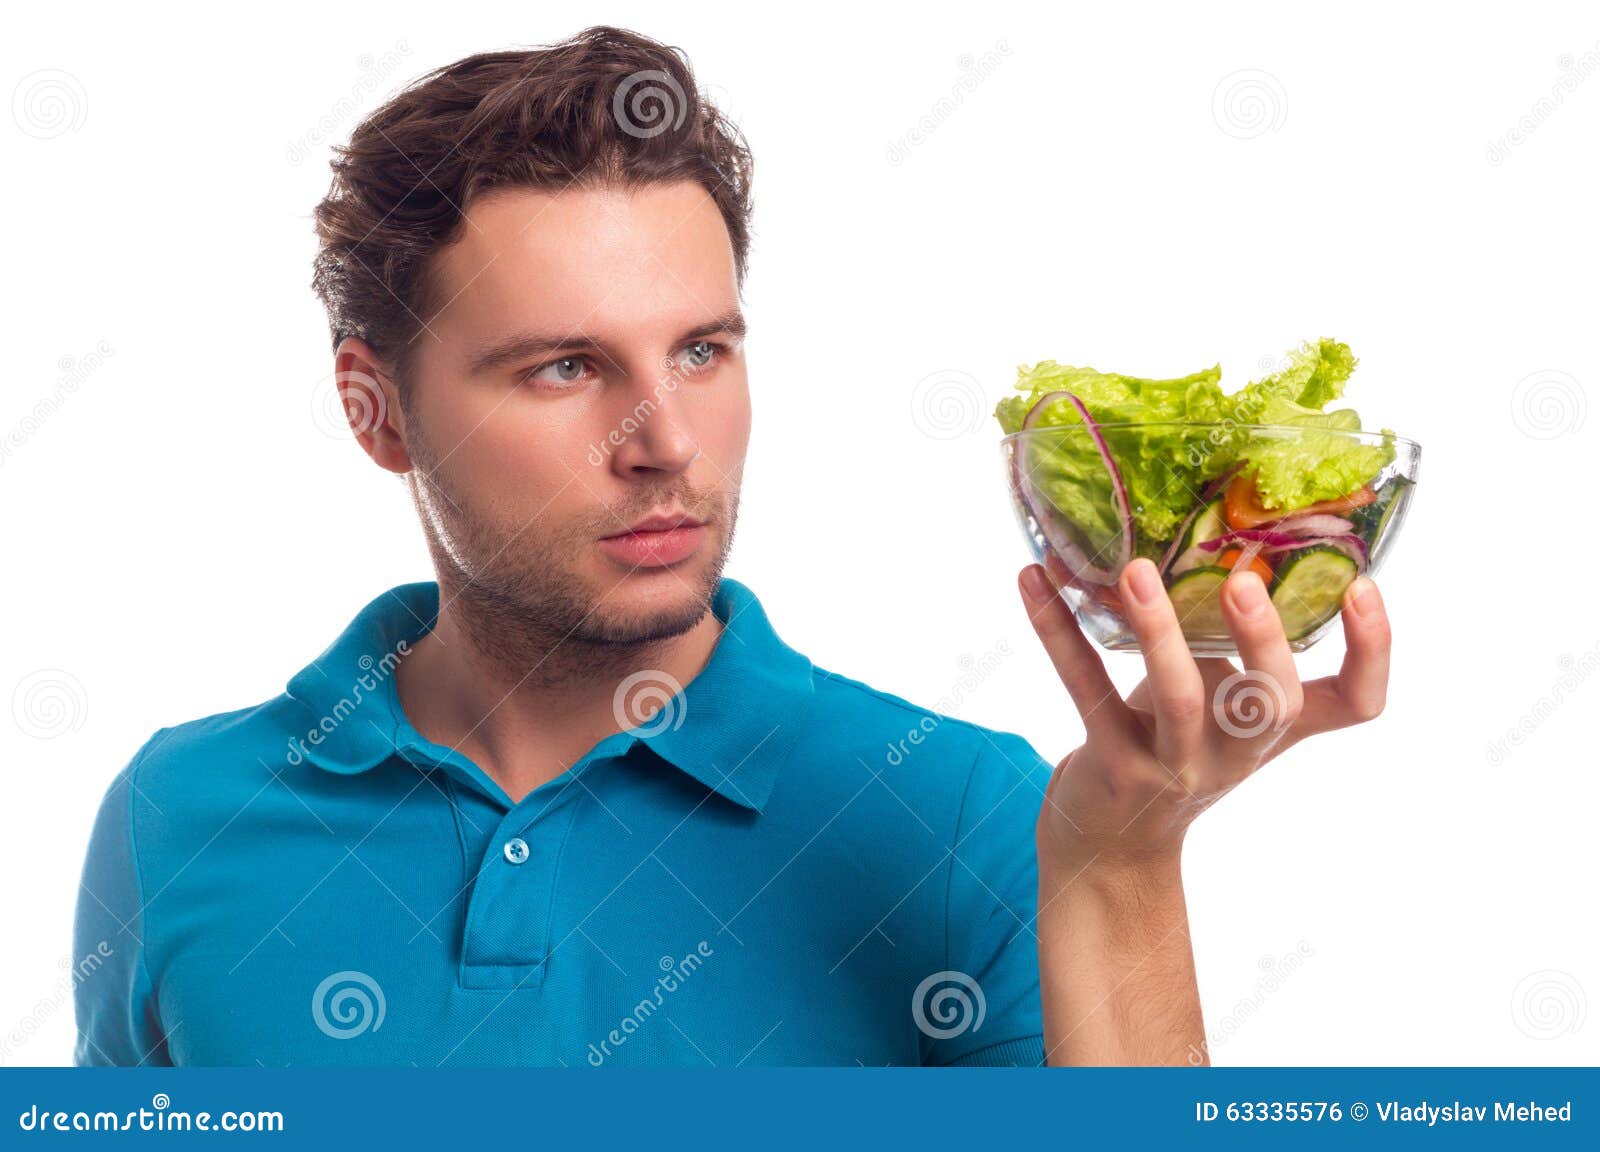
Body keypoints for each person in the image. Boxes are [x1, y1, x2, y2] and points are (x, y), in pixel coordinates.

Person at [73, 25, 1391, 1067]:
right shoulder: (178, 819)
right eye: (563, 368)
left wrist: (1126, 857)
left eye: (702, 349)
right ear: (378, 409)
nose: (665, 440)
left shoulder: (968, 821)